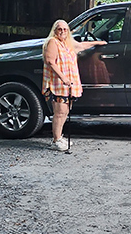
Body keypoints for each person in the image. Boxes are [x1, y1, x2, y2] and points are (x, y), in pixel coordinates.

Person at [42, 20, 105, 151]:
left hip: (69, 83)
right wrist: (63, 77)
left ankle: (59, 136)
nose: (63, 32)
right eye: (60, 29)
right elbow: (50, 61)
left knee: (65, 111)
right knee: (59, 112)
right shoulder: (53, 42)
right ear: (55, 30)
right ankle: (56, 140)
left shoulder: (67, 43)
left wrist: (98, 43)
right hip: (59, 83)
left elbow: (81, 46)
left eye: (65, 29)